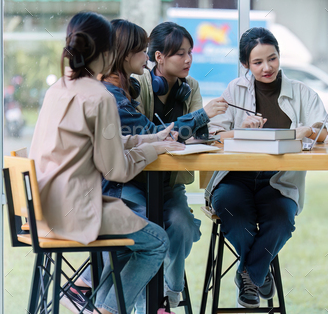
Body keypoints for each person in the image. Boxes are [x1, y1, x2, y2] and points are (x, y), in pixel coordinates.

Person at [29, 11, 185, 314]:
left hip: (41, 209)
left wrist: (150, 140)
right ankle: (106, 310)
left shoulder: (58, 89)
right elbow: (118, 169)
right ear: (109, 50)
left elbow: (94, 145)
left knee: (130, 237)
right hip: (76, 212)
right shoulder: (99, 97)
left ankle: (101, 308)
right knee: (156, 242)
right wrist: (157, 150)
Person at [70, 20, 227, 314]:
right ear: (155, 57)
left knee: (178, 226)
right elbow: (130, 148)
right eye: (180, 53)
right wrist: (192, 121)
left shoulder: (100, 92)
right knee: (150, 237)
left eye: (190, 52)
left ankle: (166, 296)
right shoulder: (121, 91)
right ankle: (124, 300)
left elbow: (133, 137)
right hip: (120, 188)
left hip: (158, 184)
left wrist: (161, 137)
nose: (189, 59)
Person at [206, 27, 328, 308]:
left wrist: (318, 129)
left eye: (272, 58)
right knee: (235, 216)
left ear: (280, 56)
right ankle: (260, 271)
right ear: (246, 65)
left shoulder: (301, 92)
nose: (267, 67)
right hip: (235, 178)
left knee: (281, 219)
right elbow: (214, 134)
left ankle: (249, 273)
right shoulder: (235, 90)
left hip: (278, 179)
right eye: (257, 62)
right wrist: (240, 130)